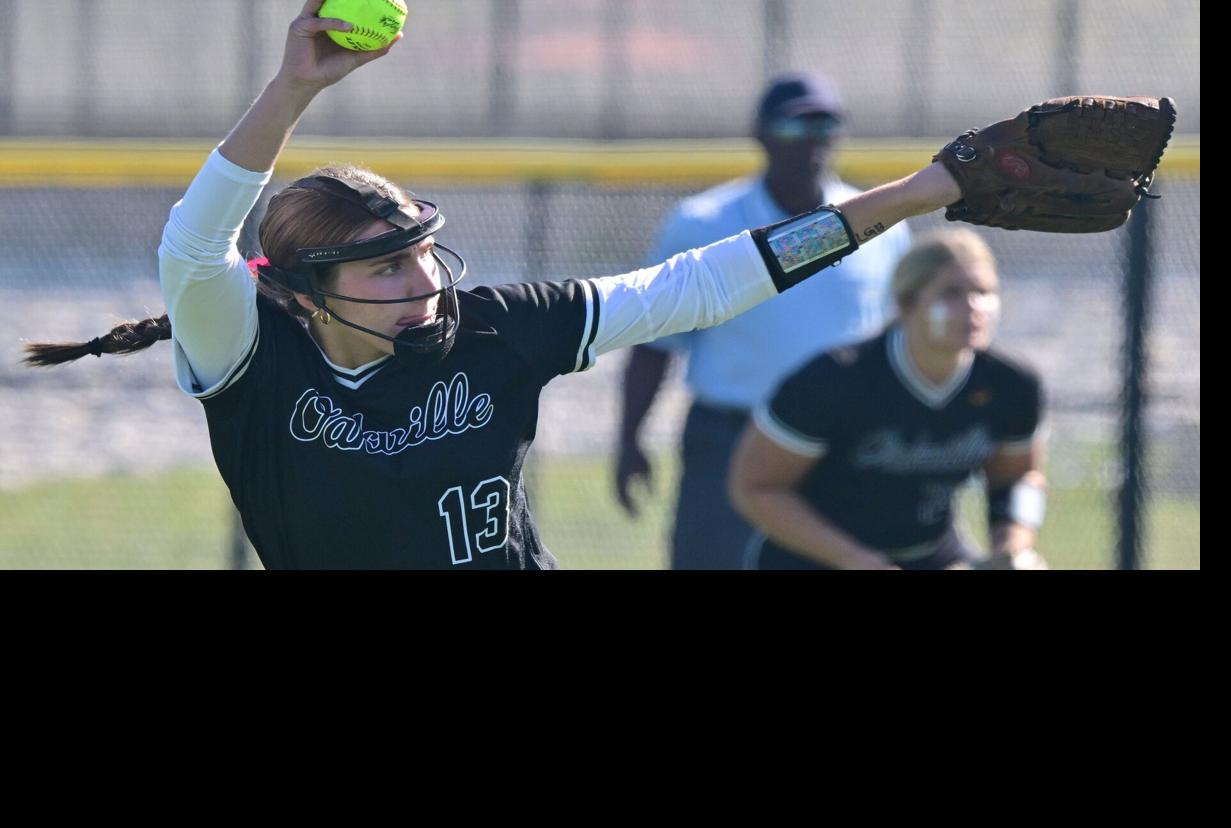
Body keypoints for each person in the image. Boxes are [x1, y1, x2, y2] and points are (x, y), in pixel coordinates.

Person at [20, 2, 964, 569]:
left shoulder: (496, 329)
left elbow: (700, 286)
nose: (423, 280)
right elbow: (191, 250)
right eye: (386, 265)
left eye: (424, 251)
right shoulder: (248, 355)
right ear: (307, 293)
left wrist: (916, 193)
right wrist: (293, 91)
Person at [614, 72, 911, 569]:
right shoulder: (705, 221)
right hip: (731, 437)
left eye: (825, 125)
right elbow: (655, 345)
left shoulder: (880, 225)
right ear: (761, 133)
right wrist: (629, 438)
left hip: (840, 447)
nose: (812, 141)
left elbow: (896, 348)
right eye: (795, 127)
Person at [728, 229, 1048, 571]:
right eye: (951, 293)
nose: (974, 307)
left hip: (929, 553)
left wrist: (1012, 550)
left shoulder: (1011, 383)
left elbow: (1018, 478)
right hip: (813, 560)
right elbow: (757, 487)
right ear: (906, 303)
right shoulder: (834, 380)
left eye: (984, 292)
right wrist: (858, 561)